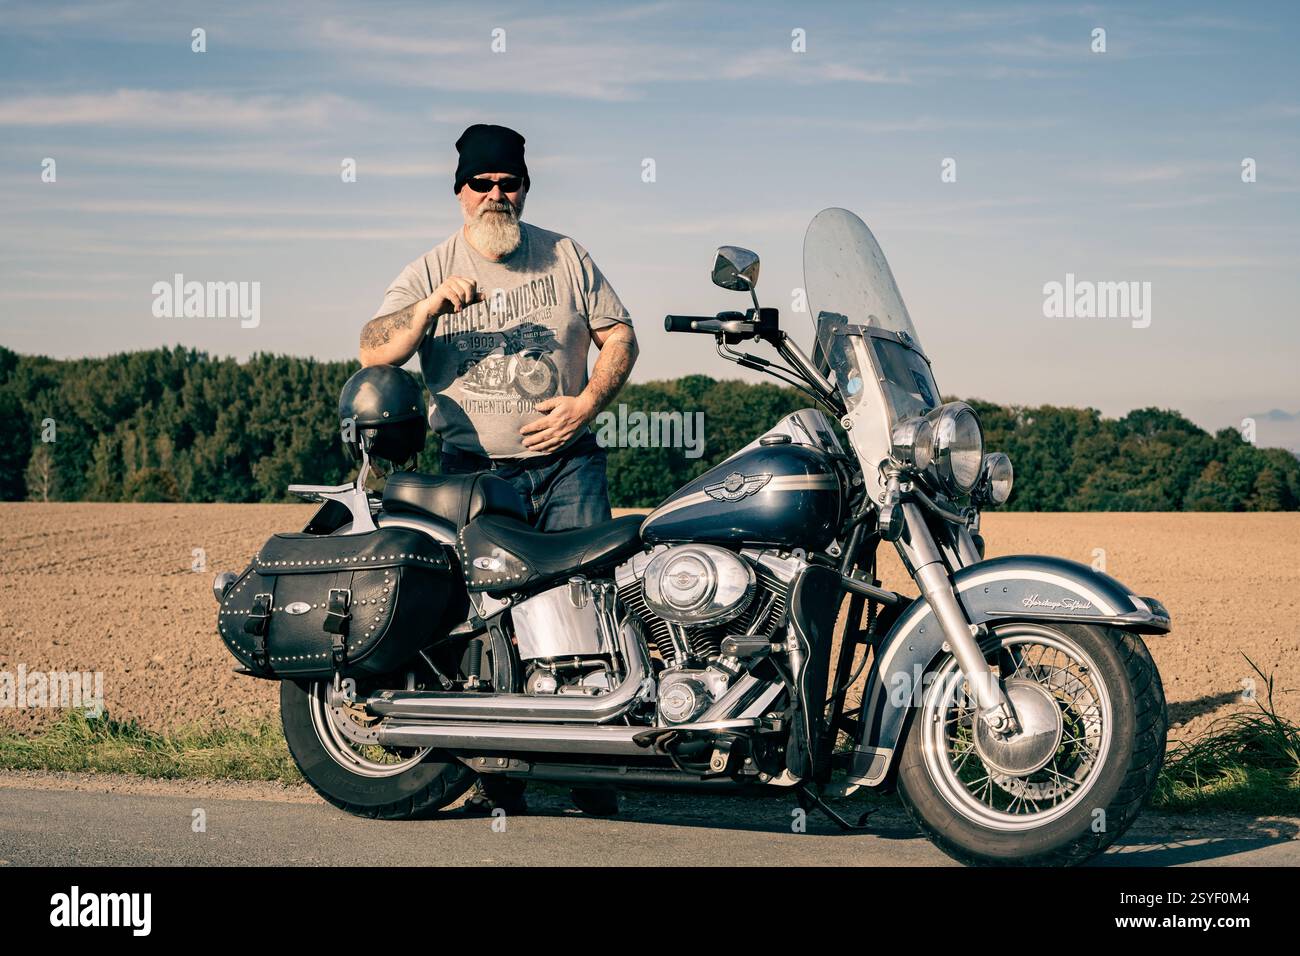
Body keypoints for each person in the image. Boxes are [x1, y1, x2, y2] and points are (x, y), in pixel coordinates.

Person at [359, 124, 637, 816]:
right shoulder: (430, 267)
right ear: (460, 193)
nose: (495, 195)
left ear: (523, 188)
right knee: (483, 623)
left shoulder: (566, 255)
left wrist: (586, 404)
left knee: (586, 608)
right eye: (481, 184)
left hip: (567, 465)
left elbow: (620, 335)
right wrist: (426, 310)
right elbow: (373, 351)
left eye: (507, 183)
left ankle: (591, 772)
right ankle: (495, 771)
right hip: (471, 474)